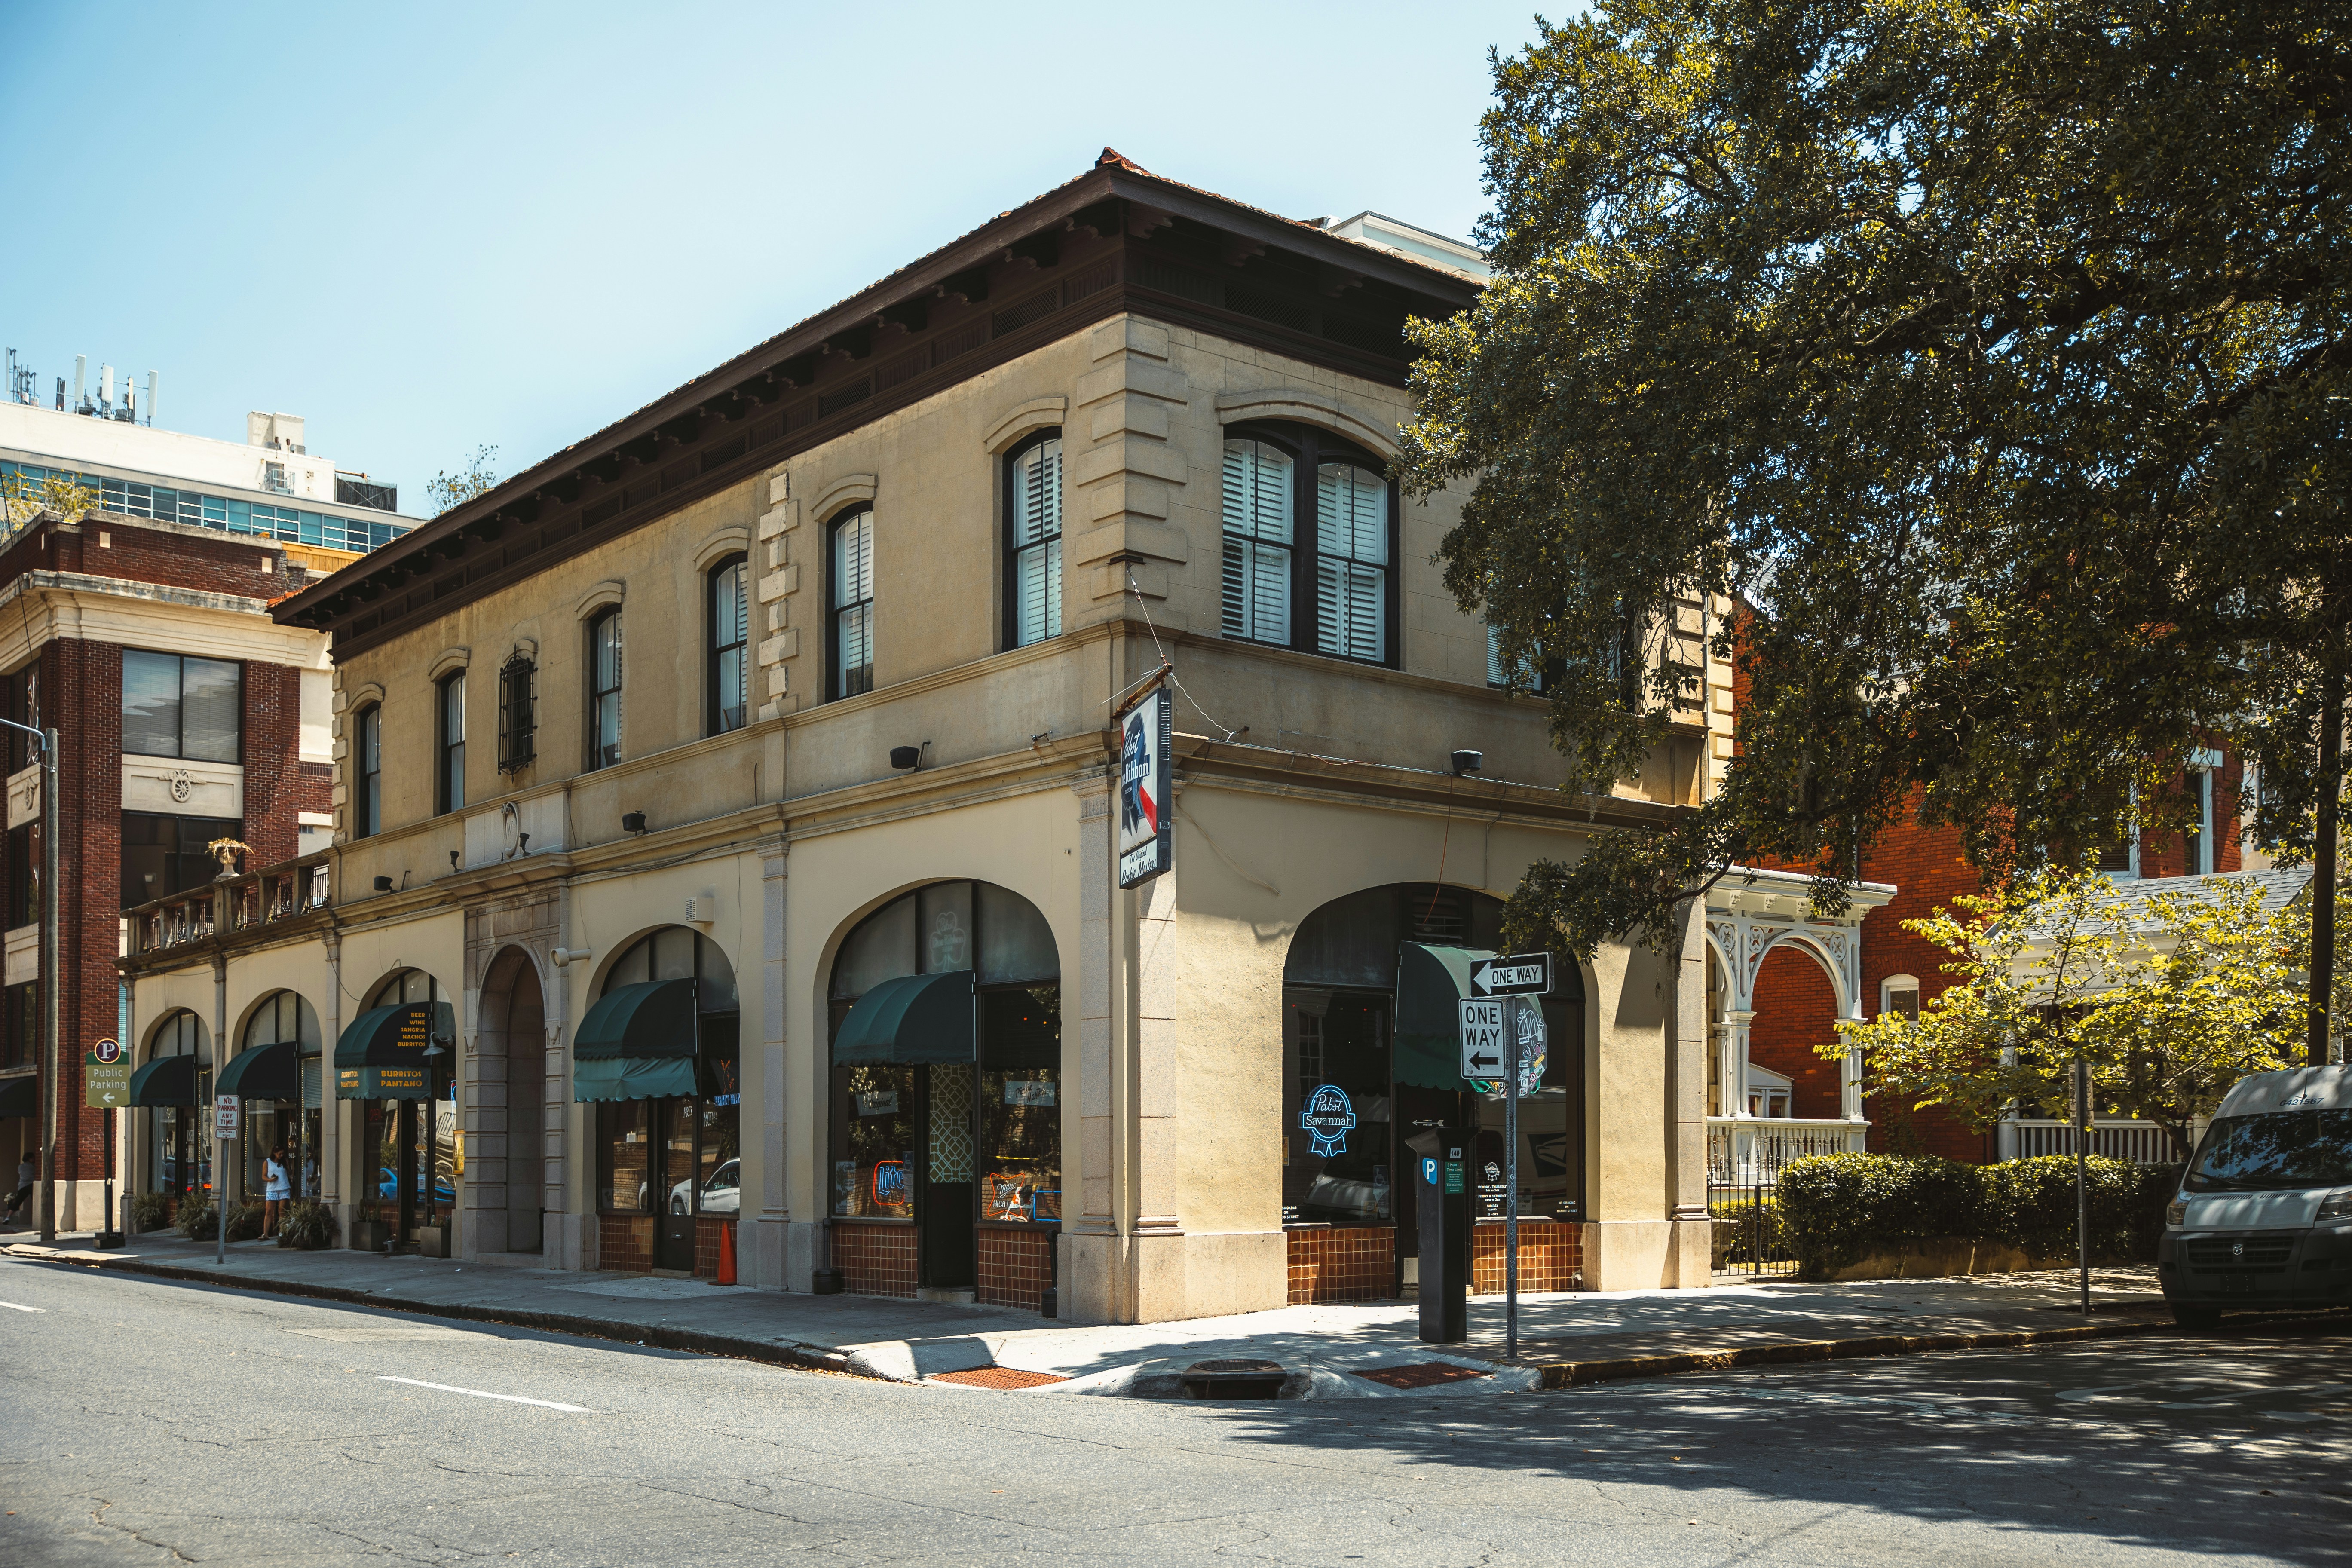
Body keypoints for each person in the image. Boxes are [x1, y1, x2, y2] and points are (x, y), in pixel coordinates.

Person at [262, 1144, 290, 1238]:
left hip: (284, 1188)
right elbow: (264, 1176)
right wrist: (271, 1180)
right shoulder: (268, 1162)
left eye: (283, 1154)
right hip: (272, 1189)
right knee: (269, 1211)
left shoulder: (284, 1162)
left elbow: (289, 1172)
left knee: (281, 1211)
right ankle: (266, 1234)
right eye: (280, 1154)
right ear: (274, 1153)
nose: (281, 1156)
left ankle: (282, 1232)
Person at [3, 1153, 32, 1228]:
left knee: (17, 1202)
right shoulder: (33, 1167)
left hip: (22, 1186)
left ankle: (8, 1217)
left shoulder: (21, 1167)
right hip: (31, 1185)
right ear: (30, 1159)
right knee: (36, 1202)